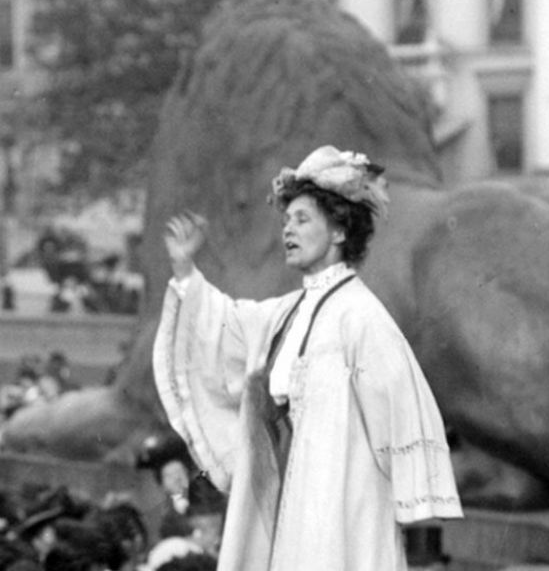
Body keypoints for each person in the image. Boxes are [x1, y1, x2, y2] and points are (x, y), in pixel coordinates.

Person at [152, 146, 462, 570]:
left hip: (343, 505)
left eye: (302, 219)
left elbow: (399, 402)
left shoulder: (362, 316)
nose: (288, 231)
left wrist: (409, 492)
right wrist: (186, 270)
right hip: (292, 496)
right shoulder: (290, 310)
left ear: (338, 231)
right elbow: (228, 325)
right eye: (285, 221)